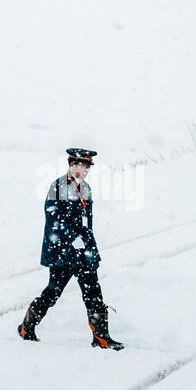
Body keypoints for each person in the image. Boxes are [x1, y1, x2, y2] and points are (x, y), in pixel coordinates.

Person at [18, 148, 124, 350]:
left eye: (85, 166)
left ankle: (101, 337)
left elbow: (87, 222)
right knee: (53, 291)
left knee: (93, 290)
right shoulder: (57, 187)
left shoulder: (86, 189)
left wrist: (87, 244)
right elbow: (53, 219)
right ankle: (26, 326)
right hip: (63, 252)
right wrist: (72, 238)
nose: (81, 170)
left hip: (83, 251)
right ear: (70, 165)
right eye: (77, 165)